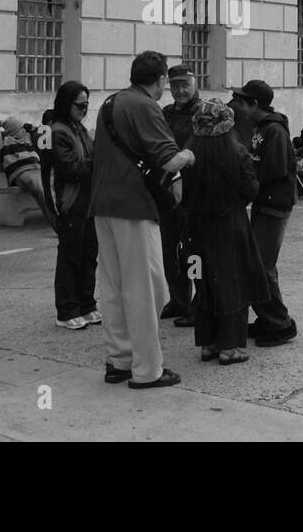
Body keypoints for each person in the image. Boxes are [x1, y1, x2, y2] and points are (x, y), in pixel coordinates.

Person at [89, 50, 195, 389]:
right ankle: (148, 369)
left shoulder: (110, 103)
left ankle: (118, 361)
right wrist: (192, 153)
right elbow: (169, 161)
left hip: (102, 204)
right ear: (161, 79)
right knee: (146, 288)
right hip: (133, 205)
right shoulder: (145, 106)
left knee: (113, 286)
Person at [184, 100, 269, 365]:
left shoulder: (188, 152)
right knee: (233, 280)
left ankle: (208, 342)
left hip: (195, 227)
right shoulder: (236, 151)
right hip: (230, 225)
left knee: (204, 281)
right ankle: (229, 346)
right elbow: (252, 189)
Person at [230, 79, 299, 348]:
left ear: (254, 104)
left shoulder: (274, 131)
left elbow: (276, 168)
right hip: (263, 203)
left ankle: (280, 323)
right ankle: (266, 319)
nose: (240, 107)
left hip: (274, 206)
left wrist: (248, 183)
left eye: (243, 102)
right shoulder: (259, 127)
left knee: (261, 266)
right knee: (259, 264)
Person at [46, 82, 100, 331]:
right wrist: (96, 164)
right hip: (72, 201)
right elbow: (69, 168)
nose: (84, 110)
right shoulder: (58, 132)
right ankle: (67, 309)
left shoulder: (79, 129)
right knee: (70, 255)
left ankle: (86, 304)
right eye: (80, 106)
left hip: (88, 201)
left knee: (89, 253)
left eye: (86, 106)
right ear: (67, 104)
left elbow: (89, 156)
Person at [160, 65, 201, 327]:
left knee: (193, 251)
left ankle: (199, 303)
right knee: (169, 249)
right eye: (175, 85)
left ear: (195, 83)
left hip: (194, 192)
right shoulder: (165, 114)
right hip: (167, 191)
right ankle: (178, 299)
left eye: (185, 84)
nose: (180, 90)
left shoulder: (205, 112)